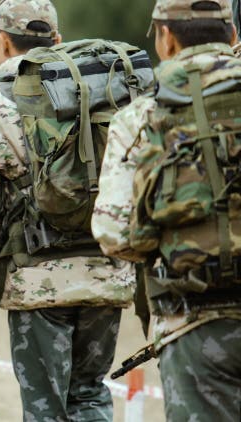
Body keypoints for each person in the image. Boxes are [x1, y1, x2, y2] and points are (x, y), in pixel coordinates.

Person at [0, 0, 135, 420]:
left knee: (45, 407)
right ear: (56, 40)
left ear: (2, 42)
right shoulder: (105, 93)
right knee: (90, 395)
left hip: (36, 280)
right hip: (106, 272)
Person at [93, 0, 241, 420]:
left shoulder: (143, 115)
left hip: (192, 322)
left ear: (166, 38)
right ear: (232, 34)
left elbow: (114, 235)